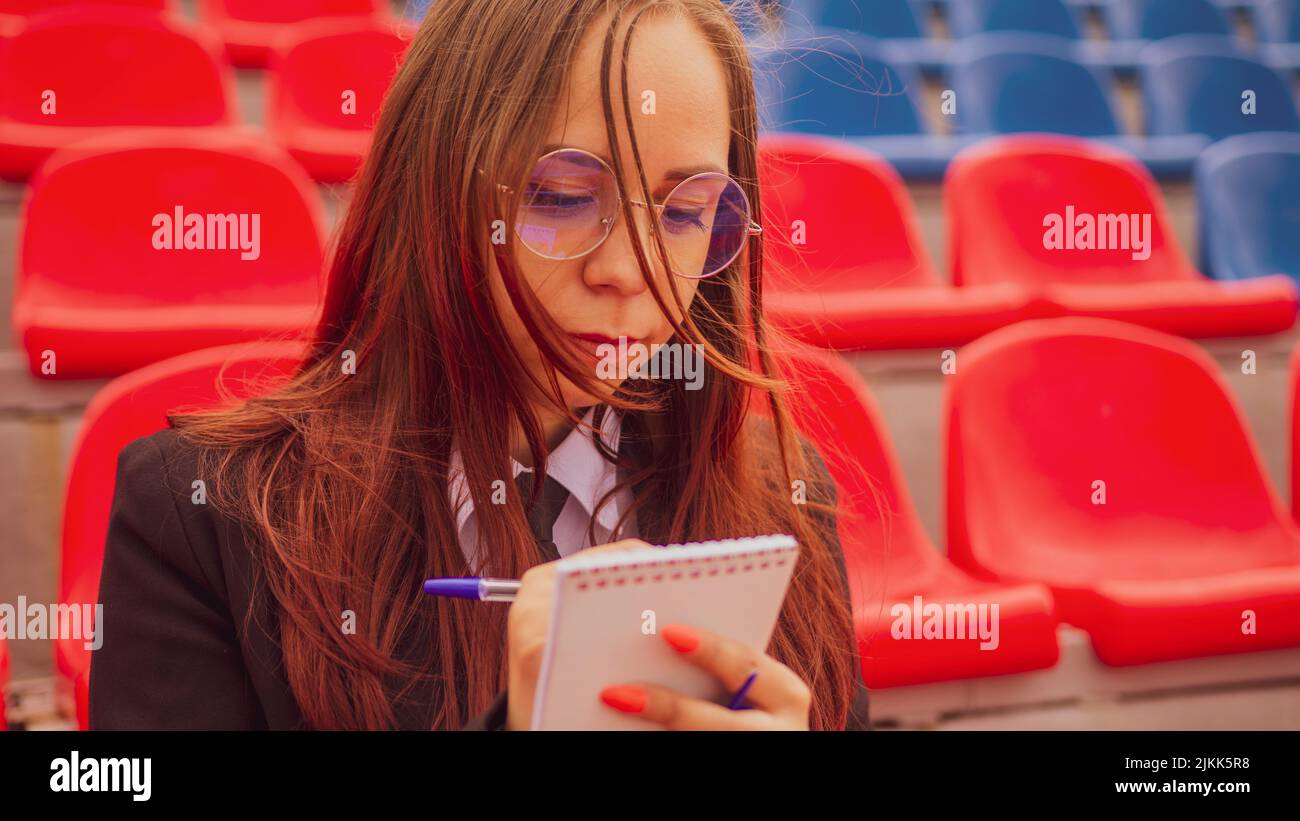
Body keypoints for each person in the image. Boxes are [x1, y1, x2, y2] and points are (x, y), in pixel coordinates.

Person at [90, 0, 872, 730]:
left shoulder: (784, 496)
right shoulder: (201, 516)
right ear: (432, 192)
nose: (630, 272)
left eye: (684, 213)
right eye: (562, 196)